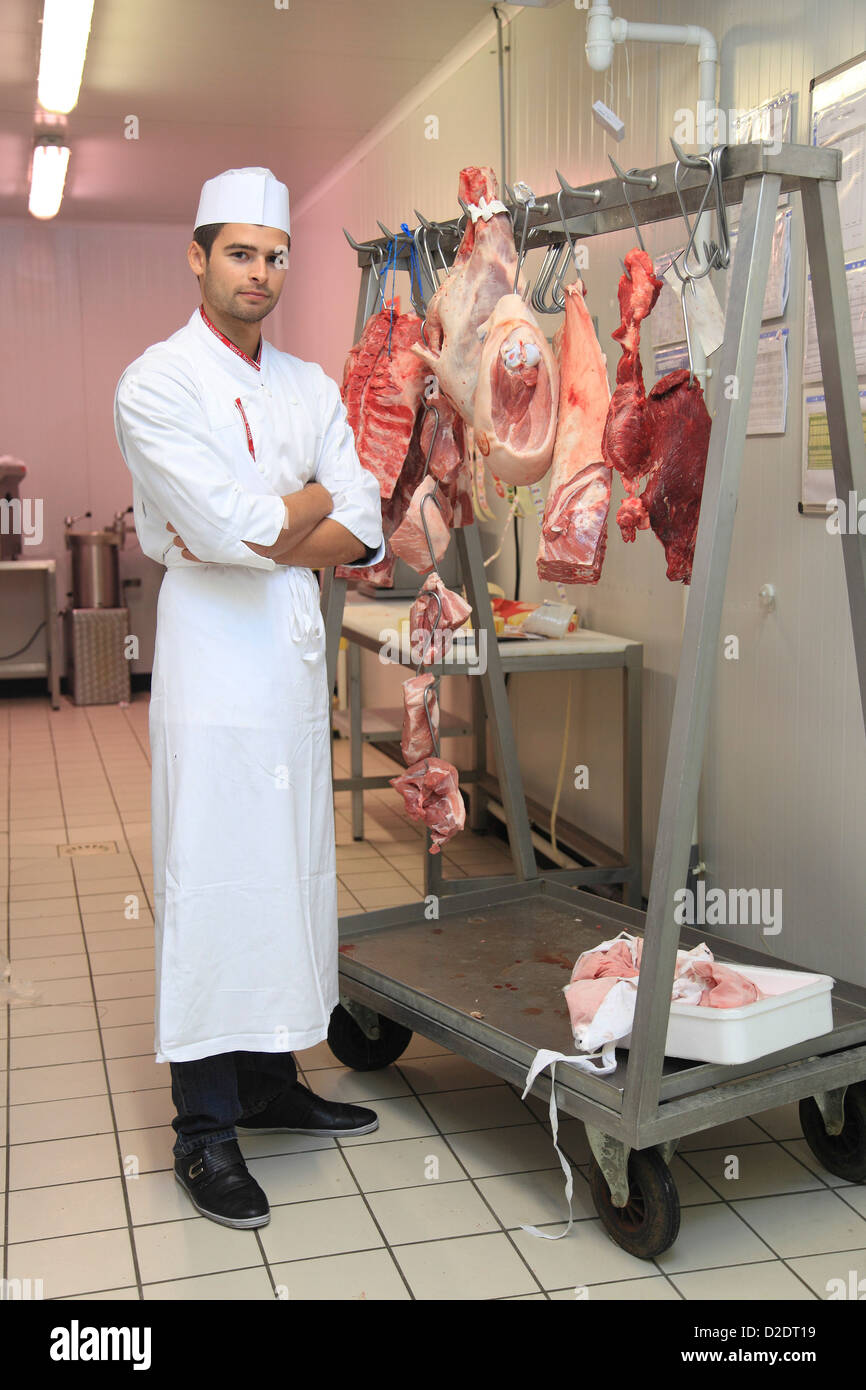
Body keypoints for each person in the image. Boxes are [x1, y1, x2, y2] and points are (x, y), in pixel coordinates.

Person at [114, 167, 385, 1230]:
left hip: (284, 664)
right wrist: (283, 517)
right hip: (212, 671)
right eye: (240, 252)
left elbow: (356, 525)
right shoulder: (156, 382)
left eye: (276, 255)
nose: (260, 272)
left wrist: (279, 520)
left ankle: (270, 1081)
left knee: (284, 871)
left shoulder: (312, 383)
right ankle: (204, 1128)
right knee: (214, 878)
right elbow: (224, 533)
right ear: (197, 255)